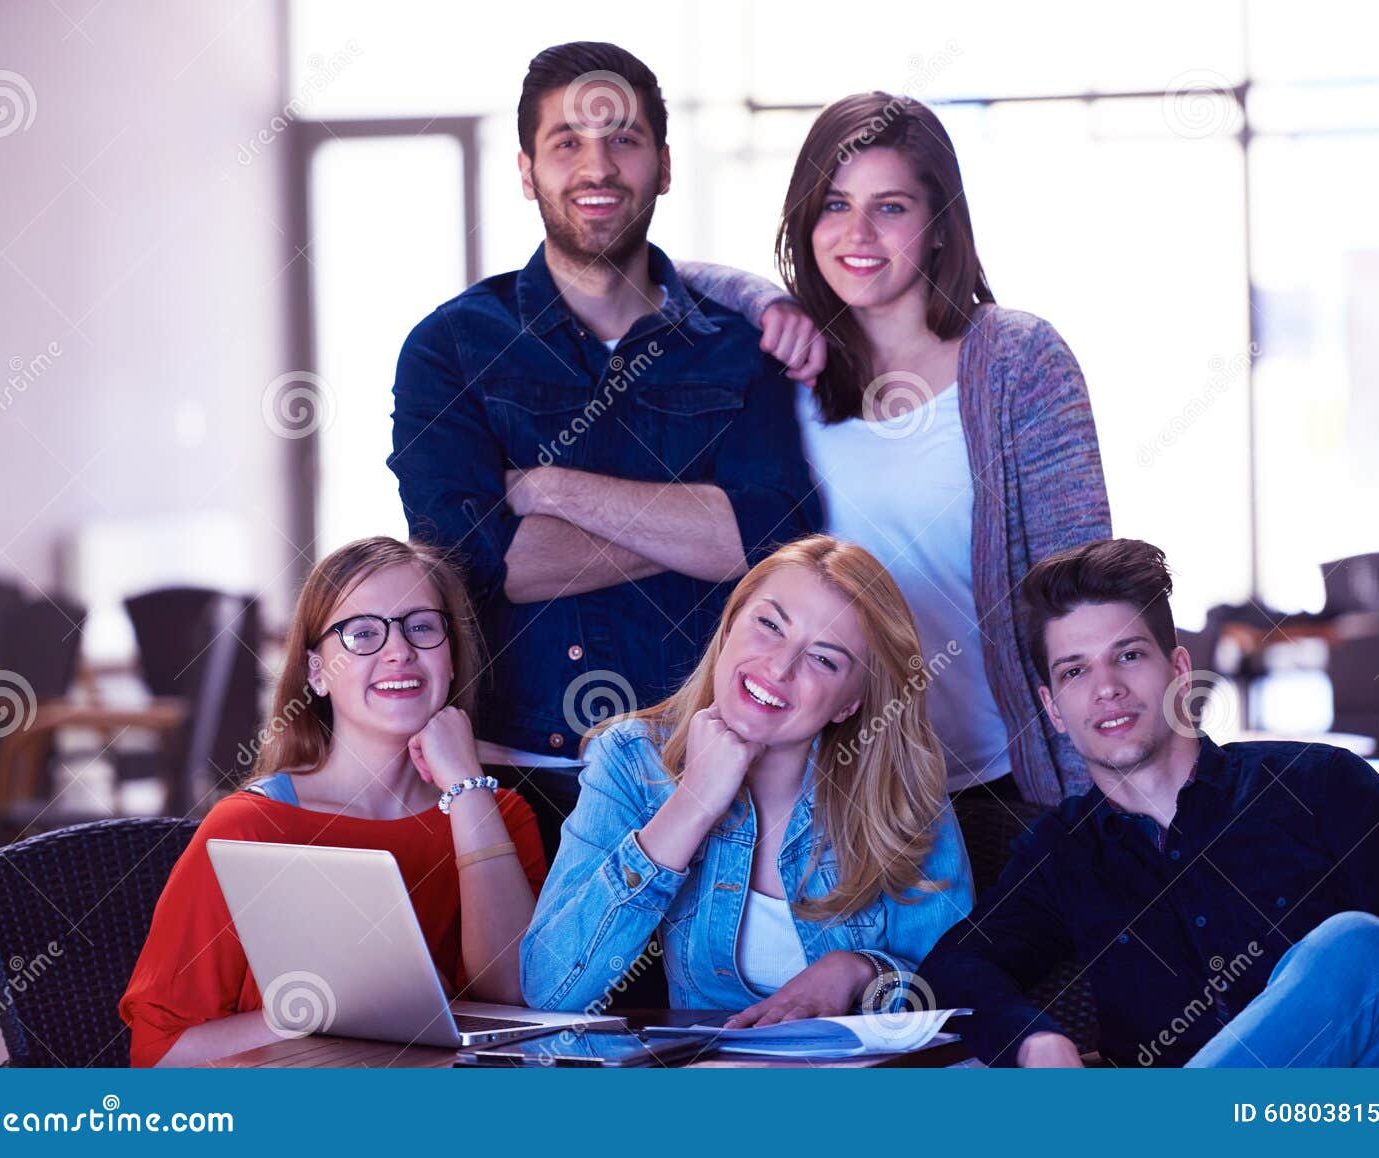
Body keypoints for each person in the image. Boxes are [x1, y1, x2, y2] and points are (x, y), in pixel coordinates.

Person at [387, 42, 821, 861]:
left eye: (623, 139)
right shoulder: (449, 349)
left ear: (662, 164)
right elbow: (475, 563)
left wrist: (549, 487)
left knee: (704, 996)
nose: (598, 166)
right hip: (508, 776)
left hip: (707, 770)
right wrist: (696, 529)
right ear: (526, 170)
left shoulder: (739, 348)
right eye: (567, 143)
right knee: (511, 994)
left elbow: (769, 543)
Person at [917, 537, 1379, 1067]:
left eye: (1129, 655)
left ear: (1180, 669)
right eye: (1075, 671)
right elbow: (958, 966)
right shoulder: (1062, 854)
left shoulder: (1319, 785)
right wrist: (1035, 1042)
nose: (1105, 688)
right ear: (1053, 707)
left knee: (1356, 948)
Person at [681, 92, 1110, 809]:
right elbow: (666, 275)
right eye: (834, 205)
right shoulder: (782, 361)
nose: (858, 234)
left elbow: (1084, 592)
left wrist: (1097, 786)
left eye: (891, 208)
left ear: (940, 225)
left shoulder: (1017, 361)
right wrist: (765, 300)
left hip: (993, 785)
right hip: (817, 794)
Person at [119, 538, 546, 1066]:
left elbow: (514, 997)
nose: (399, 650)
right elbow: (158, 1056)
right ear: (317, 672)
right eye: (363, 632)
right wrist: (322, 1009)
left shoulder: (498, 814)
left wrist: (464, 784)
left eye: (421, 627)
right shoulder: (248, 828)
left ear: (451, 657)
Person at [521, 534, 972, 1022]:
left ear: (851, 702)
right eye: (769, 625)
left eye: (824, 659)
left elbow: (960, 997)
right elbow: (550, 988)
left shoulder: (899, 794)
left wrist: (858, 971)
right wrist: (691, 804)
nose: (779, 666)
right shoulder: (631, 759)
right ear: (730, 623)